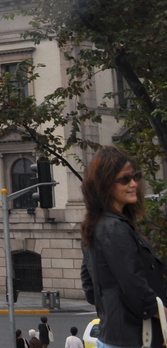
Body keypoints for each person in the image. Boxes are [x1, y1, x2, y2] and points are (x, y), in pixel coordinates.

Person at [81, 146, 167, 348]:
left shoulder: (95, 225)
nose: (134, 184)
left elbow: (89, 286)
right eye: (125, 179)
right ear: (105, 185)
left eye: (135, 176)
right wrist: (161, 314)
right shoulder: (114, 228)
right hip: (133, 339)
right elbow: (135, 286)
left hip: (113, 337)